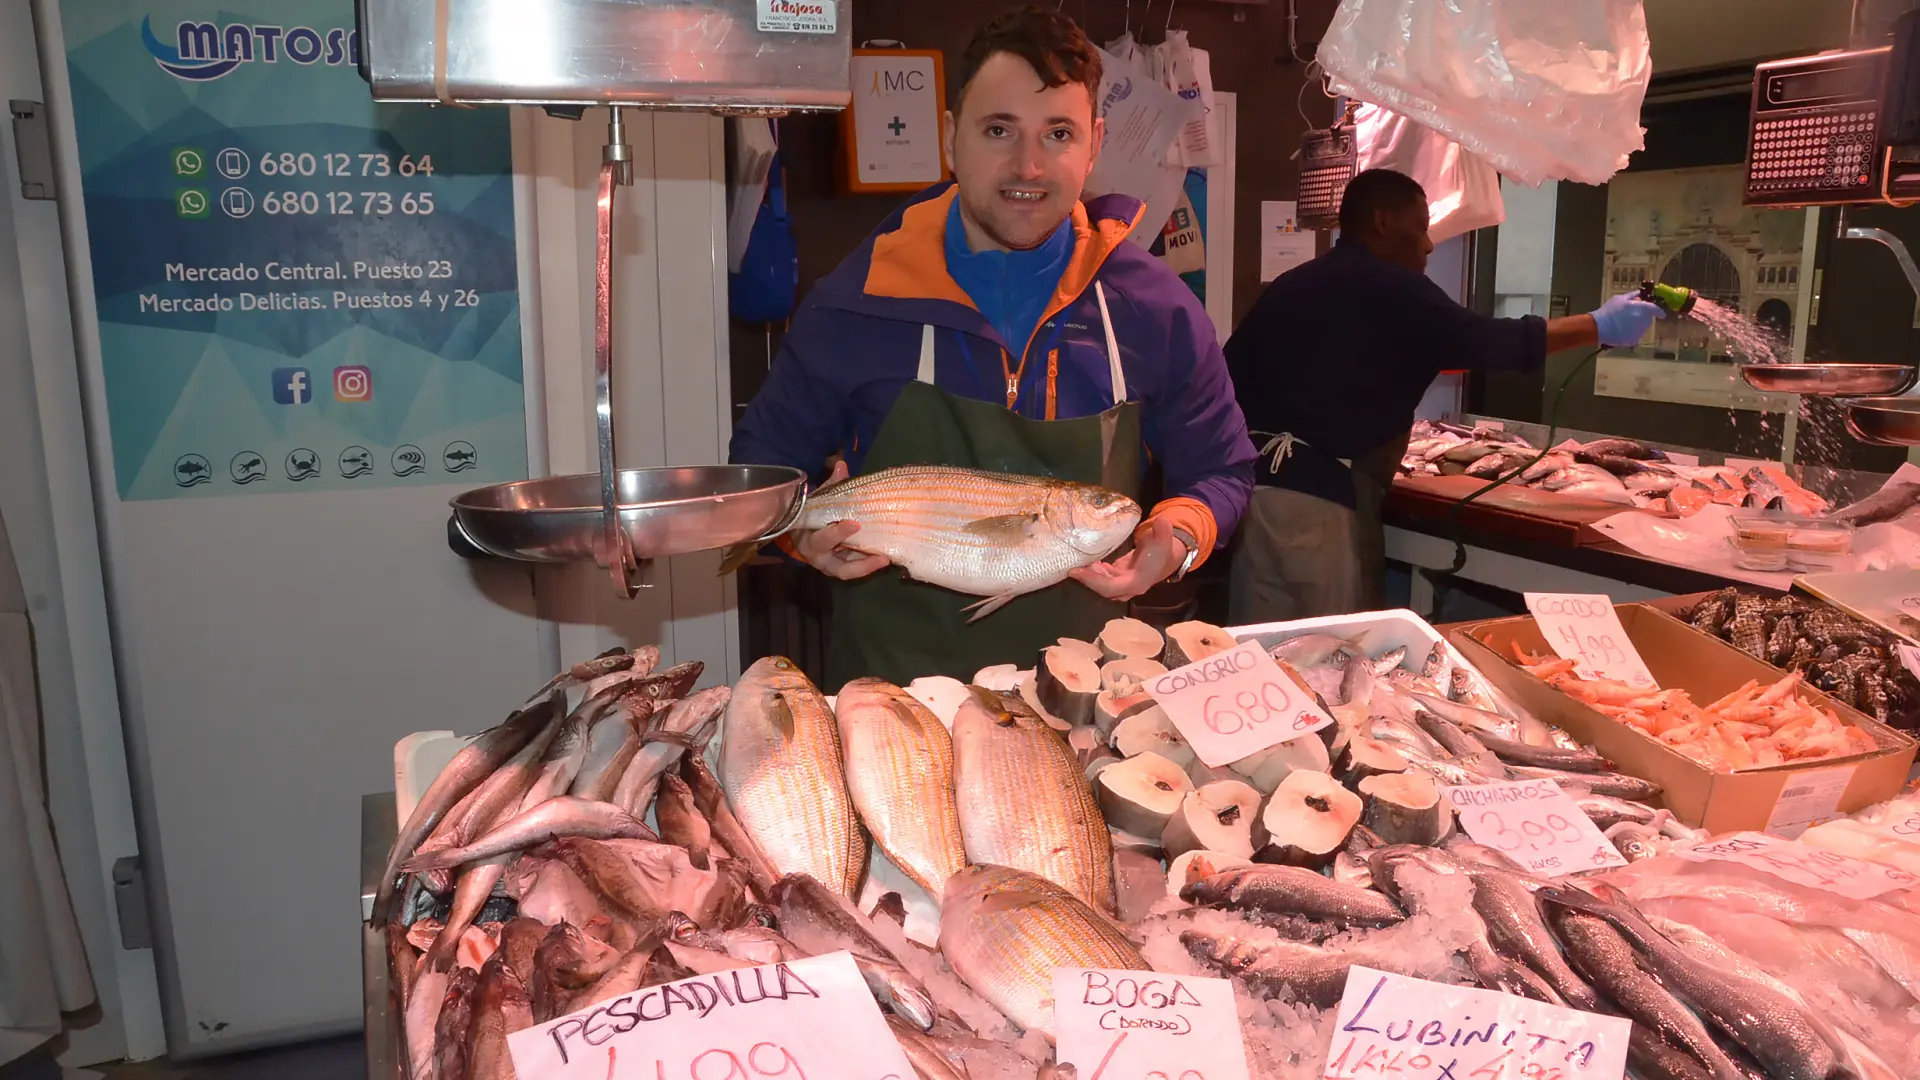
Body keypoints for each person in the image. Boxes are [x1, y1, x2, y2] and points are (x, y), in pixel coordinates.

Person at [730, 5, 1254, 686]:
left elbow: (1222, 467)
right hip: (893, 702)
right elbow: (761, 475)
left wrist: (1180, 533)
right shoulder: (854, 304)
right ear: (952, 138)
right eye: (999, 130)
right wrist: (803, 539)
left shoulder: (1155, 310)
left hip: (1083, 696)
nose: (1027, 166)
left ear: (1095, 144)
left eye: (1058, 134)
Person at [1223, 168, 1663, 624]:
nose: (1429, 245)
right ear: (1382, 221)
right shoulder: (1394, 287)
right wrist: (1596, 325)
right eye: (1422, 227)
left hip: (1257, 499)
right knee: (1335, 649)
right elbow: (1487, 342)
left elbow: (1227, 378)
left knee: (1258, 647)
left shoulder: (1292, 284)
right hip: (1321, 507)